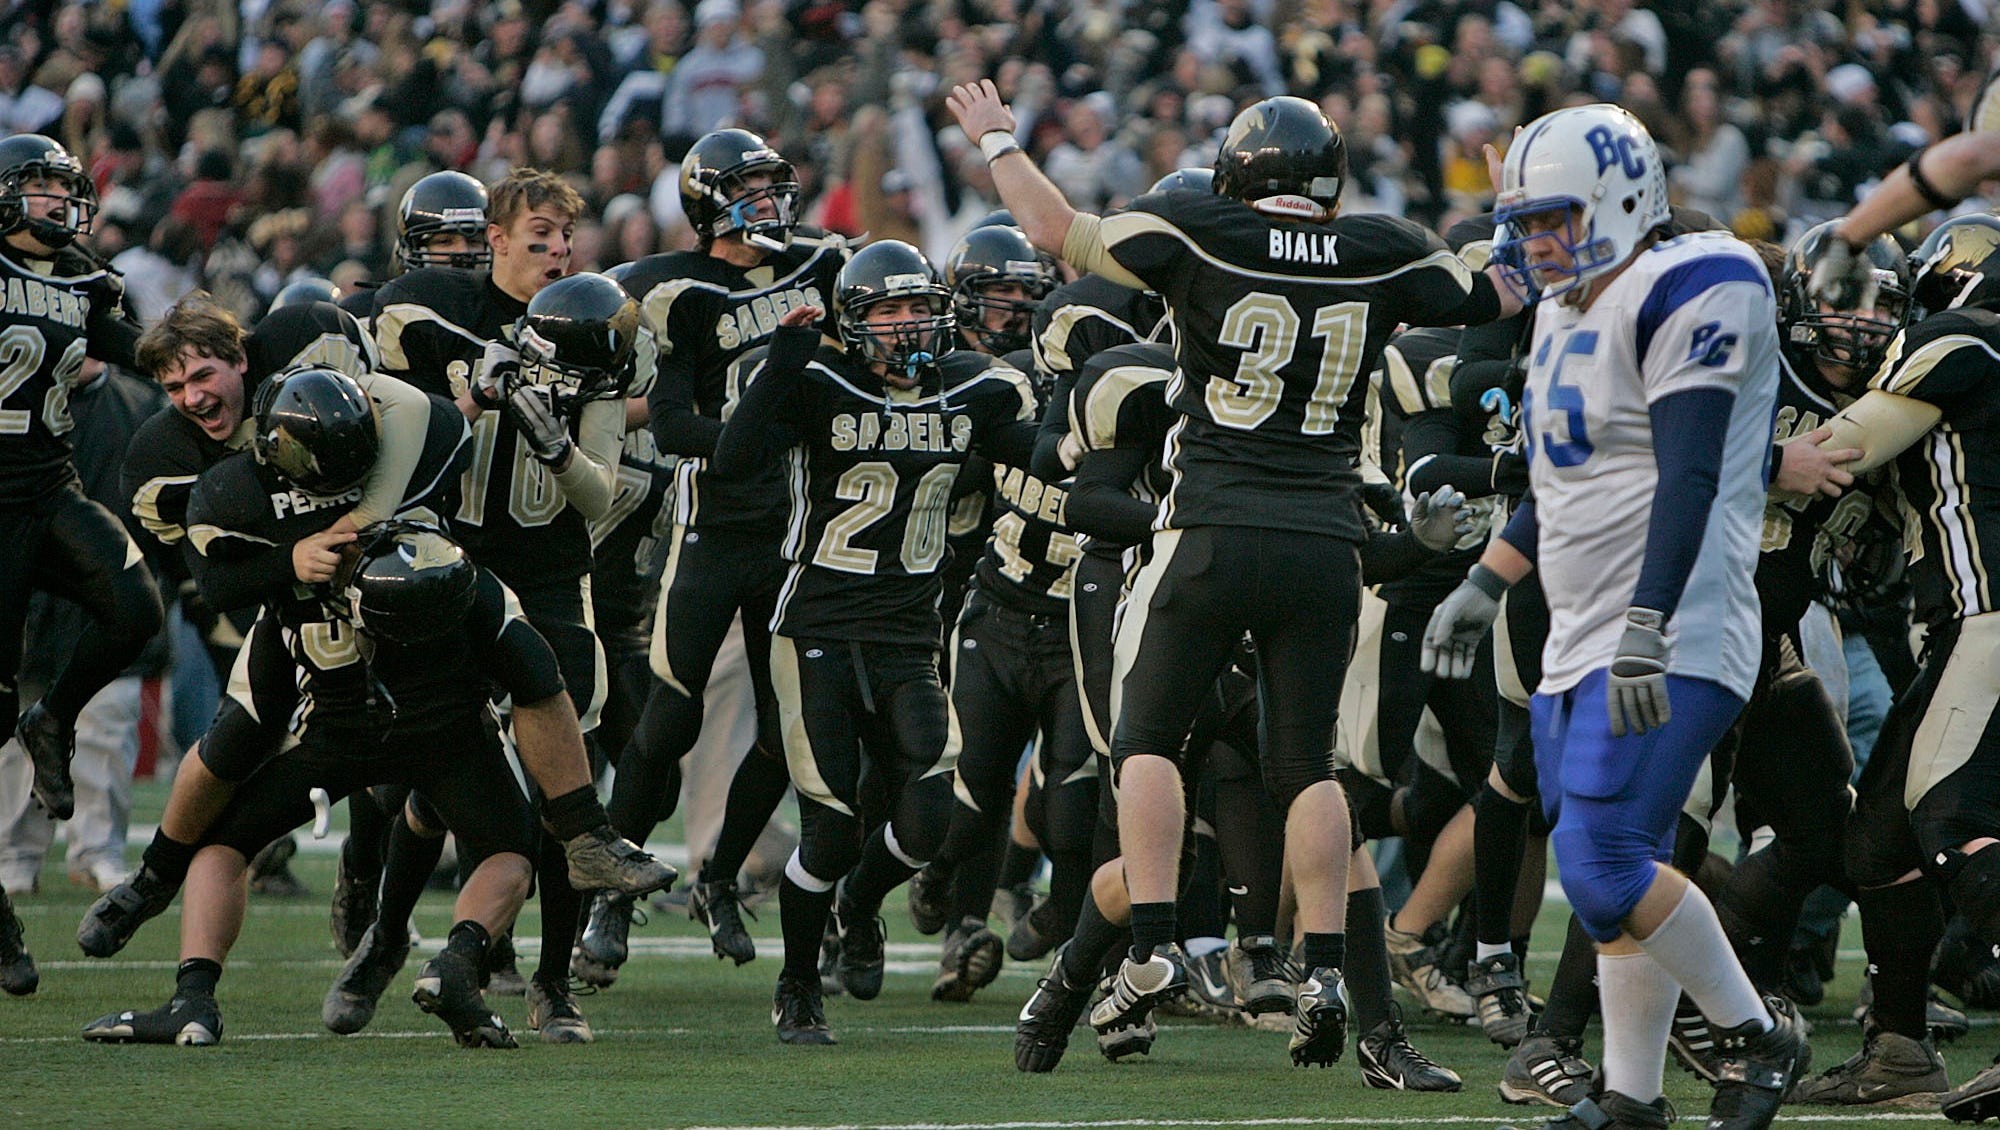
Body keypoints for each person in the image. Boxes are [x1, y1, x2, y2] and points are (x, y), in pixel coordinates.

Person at [948, 80, 1517, 1067]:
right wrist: (1527, 205)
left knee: (1144, 743)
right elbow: (1500, 292)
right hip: (1320, 544)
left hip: (1206, 532)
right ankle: (1325, 967)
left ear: (1234, 174)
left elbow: (1047, 228)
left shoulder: (1196, 233)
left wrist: (996, 135)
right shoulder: (1379, 245)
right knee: (1309, 768)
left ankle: (1160, 944)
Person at [1421, 104, 1804, 1130]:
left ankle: (1756, 1033)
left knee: (1601, 855)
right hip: (1576, 623)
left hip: (1674, 618)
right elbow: (1561, 479)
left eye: (1554, 217)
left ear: (1621, 197)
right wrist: (1485, 581)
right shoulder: (1556, 312)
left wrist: (1645, 620)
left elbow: (1687, 470)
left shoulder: (1692, 280)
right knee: (1600, 877)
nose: (1536, 240)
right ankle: (1632, 1097)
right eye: (1524, 222)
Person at [711, 240, 1043, 1045]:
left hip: (907, 635)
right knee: (828, 828)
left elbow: (1042, 464)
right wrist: (781, 362)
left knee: (931, 823)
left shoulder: (975, 388)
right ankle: (797, 988)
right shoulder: (819, 381)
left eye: (918, 308)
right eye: (887, 312)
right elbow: (731, 460)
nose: (906, 326)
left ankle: (858, 907)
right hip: (818, 626)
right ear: (854, 324)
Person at [369, 216, 668, 1041]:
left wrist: (554, 443)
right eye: (539, 235)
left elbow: (599, 495)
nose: (556, 250)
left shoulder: (606, 357)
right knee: (438, 780)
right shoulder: (452, 335)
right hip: (457, 566)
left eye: (565, 237)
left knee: (566, 795)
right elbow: (403, 453)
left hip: (552, 579)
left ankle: (551, 984)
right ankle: (384, 938)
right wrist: (476, 397)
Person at [81, 521, 547, 1048]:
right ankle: (457, 963)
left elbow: (253, 704)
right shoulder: (420, 541)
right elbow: (533, 678)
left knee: (224, 841)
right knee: (511, 850)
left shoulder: (276, 566)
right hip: (439, 730)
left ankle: (193, 997)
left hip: (330, 733)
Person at [576, 128, 847, 983]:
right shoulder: (676, 288)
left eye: (774, 187)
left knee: (781, 725)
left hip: (800, 530)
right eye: (751, 190)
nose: (770, 204)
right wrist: (738, 442)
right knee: (671, 714)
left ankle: (720, 877)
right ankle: (611, 894)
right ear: (708, 204)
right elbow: (674, 412)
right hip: (714, 526)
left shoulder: (828, 265)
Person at [0, 133, 164, 828]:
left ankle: (54, 719)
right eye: (47, 186)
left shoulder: (81, 277)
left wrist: (193, 349)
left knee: (135, 610)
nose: (63, 201)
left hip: (50, 488)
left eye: (69, 190)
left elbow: (134, 347)